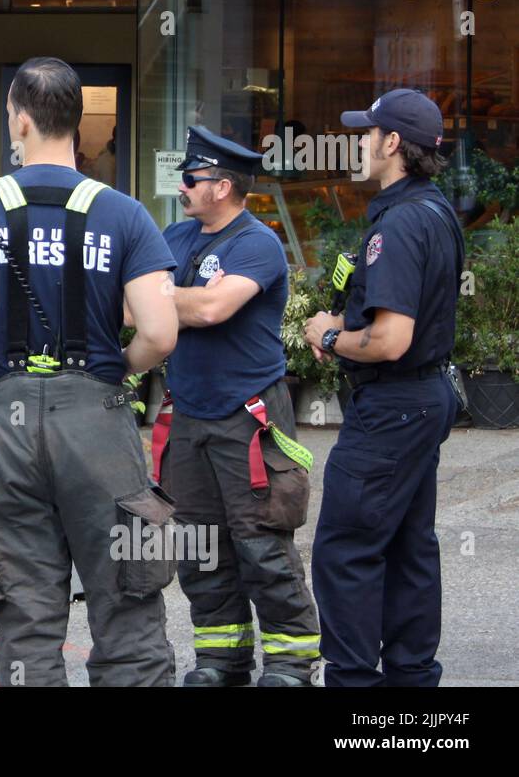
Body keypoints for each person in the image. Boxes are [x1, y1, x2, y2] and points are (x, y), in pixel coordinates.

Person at [0, 57, 180, 687]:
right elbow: (159, 332)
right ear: (76, 121)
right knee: (127, 599)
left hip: (5, 421)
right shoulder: (124, 213)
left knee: (25, 611)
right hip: (95, 412)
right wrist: (117, 373)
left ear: (19, 117)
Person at [304, 88, 462, 687]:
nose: (361, 142)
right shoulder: (435, 209)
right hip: (423, 401)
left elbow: (391, 340)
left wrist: (329, 334)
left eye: (368, 133)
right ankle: (412, 690)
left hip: (392, 404)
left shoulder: (396, 226)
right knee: (408, 546)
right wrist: (352, 324)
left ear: (392, 143)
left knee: (346, 550)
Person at [159, 125, 321, 688]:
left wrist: (161, 300)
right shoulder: (176, 239)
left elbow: (208, 310)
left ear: (223, 187)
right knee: (200, 547)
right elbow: (149, 304)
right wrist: (172, 301)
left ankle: (291, 663)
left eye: (191, 178)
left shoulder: (257, 244)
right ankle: (221, 661)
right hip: (188, 416)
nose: (181, 186)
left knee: (261, 543)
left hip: (248, 416)